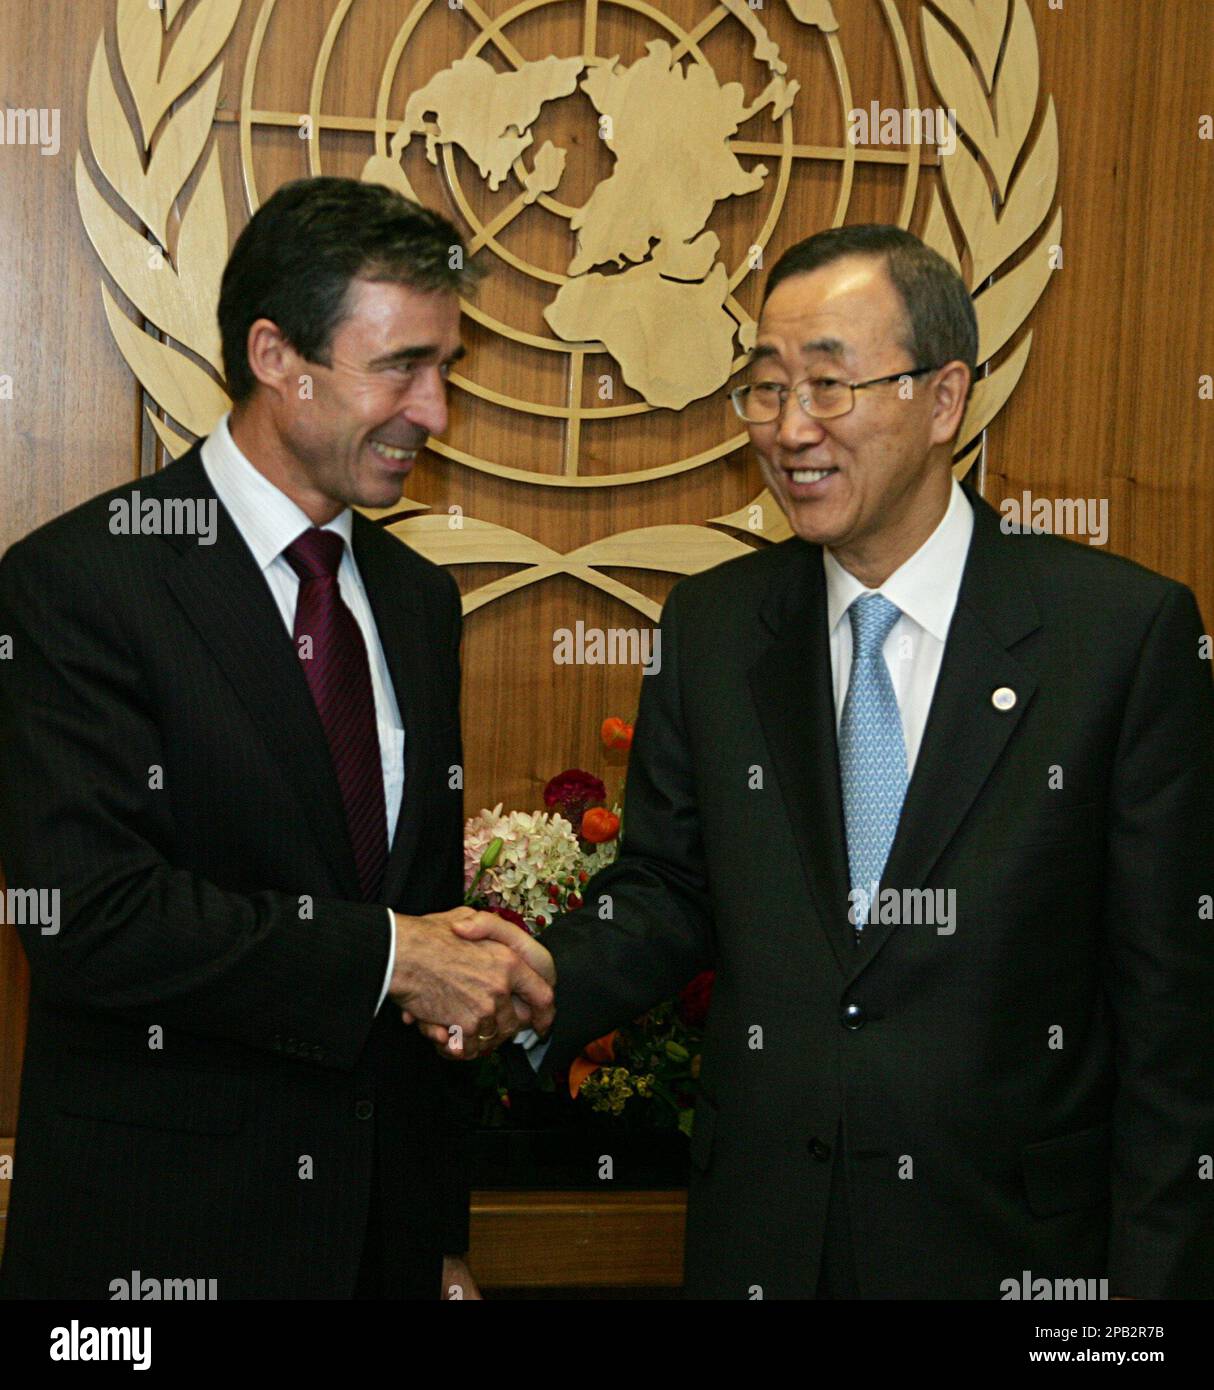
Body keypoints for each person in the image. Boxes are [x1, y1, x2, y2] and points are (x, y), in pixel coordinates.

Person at [439, 225, 1214, 1298]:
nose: (789, 427)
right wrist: (531, 979)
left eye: (828, 384)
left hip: (1016, 1258)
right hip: (766, 1244)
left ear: (943, 399)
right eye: (764, 388)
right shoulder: (715, 630)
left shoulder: (1115, 640)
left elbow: (1175, 1032)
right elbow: (669, 891)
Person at [0, 176, 553, 1300]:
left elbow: (427, 916)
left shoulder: (413, 599)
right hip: (158, 1251)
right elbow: (92, 920)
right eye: (400, 366)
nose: (434, 410)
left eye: (445, 368)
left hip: (375, 1253)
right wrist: (394, 959)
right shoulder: (81, 584)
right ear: (272, 353)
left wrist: (438, 1233)